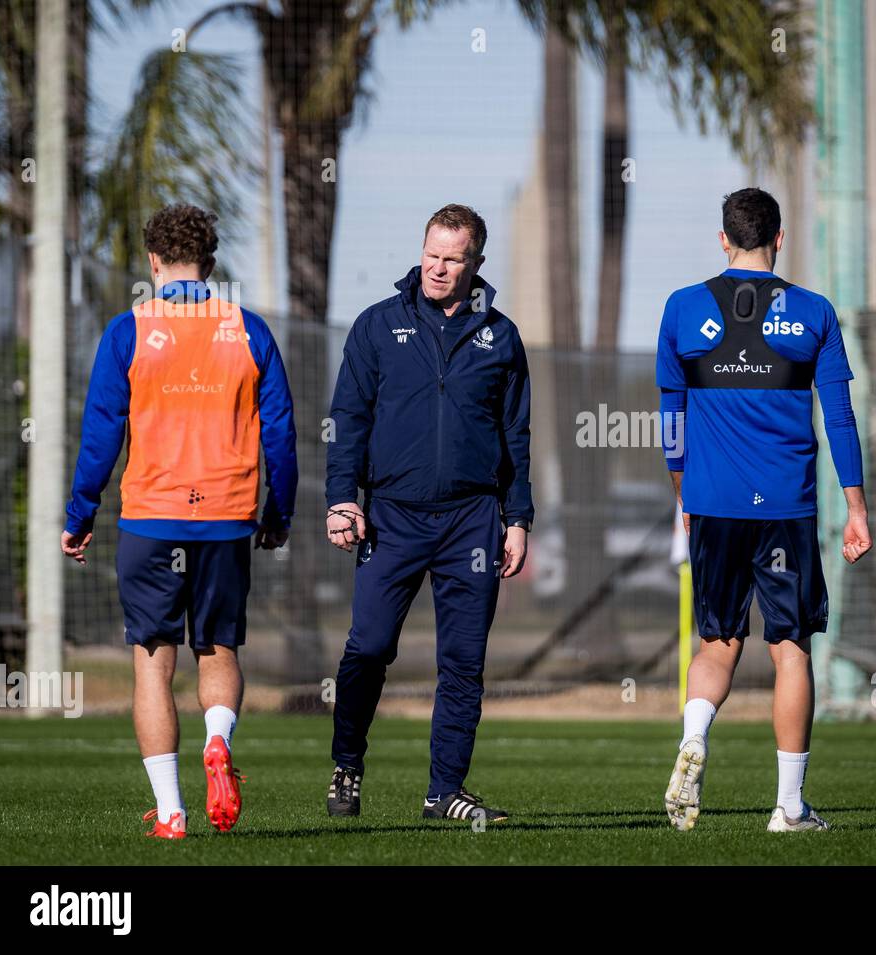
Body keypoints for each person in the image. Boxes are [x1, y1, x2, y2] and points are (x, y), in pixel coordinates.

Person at [62, 203, 298, 839]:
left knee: (152, 663)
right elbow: (279, 433)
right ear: (212, 263)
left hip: (151, 519)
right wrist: (278, 512)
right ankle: (216, 742)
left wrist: (80, 514)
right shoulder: (248, 329)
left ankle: (171, 813)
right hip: (226, 519)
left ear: (153, 261)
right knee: (218, 649)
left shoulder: (128, 331)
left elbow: (101, 434)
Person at [655, 187, 872, 832]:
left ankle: (694, 739)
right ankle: (789, 807)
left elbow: (671, 420)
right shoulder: (813, 313)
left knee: (717, 641)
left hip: (713, 503)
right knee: (791, 649)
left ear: (723, 239)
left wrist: (682, 495)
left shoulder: (683, 308)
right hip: (785, 508)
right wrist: (856, 507)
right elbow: (838, 417)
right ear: (780, 238)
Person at [324, 203, 532, 823]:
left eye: (454, 259)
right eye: (432, 255)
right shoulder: (377, 326)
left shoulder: (502, 335)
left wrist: (517, 517)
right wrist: (342, 498)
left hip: (473, 520)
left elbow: (516, 434)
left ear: (477, 264)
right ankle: (347, 764)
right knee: (369, 646)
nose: (439, 269)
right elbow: (348, 421)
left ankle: (444, 791)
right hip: (391, 516)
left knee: (464, 662)